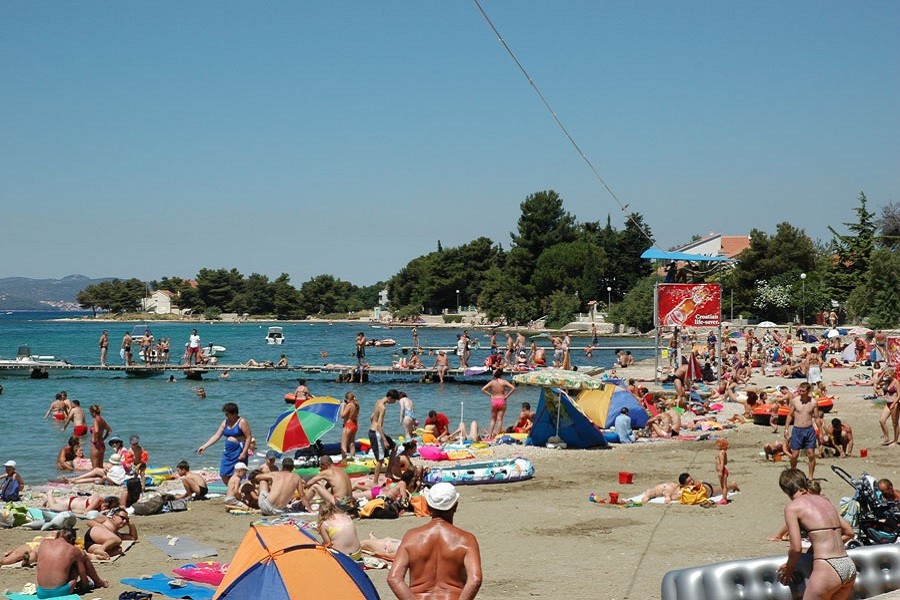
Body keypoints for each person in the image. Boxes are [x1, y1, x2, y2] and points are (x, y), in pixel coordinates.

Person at [387, 482, 482, 599]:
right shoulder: (466, 540)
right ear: (455, 506)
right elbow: (475, 580)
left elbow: (394, 578)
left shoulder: (411, 537)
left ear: (427, 506)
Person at [776, 469, 856, 598]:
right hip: (848, 565)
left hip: (827, 567)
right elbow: (849, 532)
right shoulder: (825, 501)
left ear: (785, 490)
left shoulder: (793, 508)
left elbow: (796, 548)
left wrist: (789, 569)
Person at [35, 528, 108, 598]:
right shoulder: (73, 550)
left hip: (40, 592)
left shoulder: (43, 543)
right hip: (60, 592)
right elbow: (83, 575)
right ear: (72, 539)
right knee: (80, 557)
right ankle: (99, 582)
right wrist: (85, 585)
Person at [197, 402, 252, 485]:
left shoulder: (242, 422)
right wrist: (204, 446)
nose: (226, 416)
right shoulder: (225, 422)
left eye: (227, 414)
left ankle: (236, 490)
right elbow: (216, 435)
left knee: (237, 472)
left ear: (234, 413)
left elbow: (248, 437)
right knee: (223, 473)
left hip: (239, 450)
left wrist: (244, 452)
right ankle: (232, 489)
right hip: (228, 450)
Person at [784, 382, 821, 479]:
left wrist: (820, 431)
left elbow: (817, 417)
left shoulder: (813, 402)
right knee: (795, 454)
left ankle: (810, 477)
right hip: (797, 430)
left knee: (811, 454)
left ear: (808, 391)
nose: (801, 393)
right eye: (800, 391)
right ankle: (793, 473)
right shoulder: (795, 401)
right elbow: (790, 415)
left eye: (803, 391)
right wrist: (786, 429)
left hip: (809, 430)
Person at [369, 389, 399, 485]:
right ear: (390, 398)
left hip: (374, 431)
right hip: (376, 433)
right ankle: (375, 482)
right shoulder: (383, 407)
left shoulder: (378, 401)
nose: (394, 403)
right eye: (394, 401)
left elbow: (371, 417)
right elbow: (378, 425)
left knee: (394, 446)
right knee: (380, 459)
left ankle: (388, 472)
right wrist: (384, 440)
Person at [481, 368, 516, 439]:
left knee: (493, 419)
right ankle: (497, 435)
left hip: (494, 400)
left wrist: (490, 395)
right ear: (501, 374)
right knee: (500, 419)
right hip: (502, 400)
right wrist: (507, 396)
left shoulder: (492, 382)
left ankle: (490, 435)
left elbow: (483, 389)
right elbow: (513, 388)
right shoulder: (504, 382)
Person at [62, 453, 130, 486]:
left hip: (113, 482)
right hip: (114, 481)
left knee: (95, 477)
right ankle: (73, 480)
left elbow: (111, 478)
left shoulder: (115, 468)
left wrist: (105, 477)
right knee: (95, 475)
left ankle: (74, 480)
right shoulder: (119, 467)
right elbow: (113, 475)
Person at [41, 492, 118, 515]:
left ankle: (46, 498)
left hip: (75, 502)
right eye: (105, 506)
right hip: (70, 504)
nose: (104, 508)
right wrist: (101, 512)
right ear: (105, 502)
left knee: (57, 502)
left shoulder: (101, 502)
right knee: (52, 507)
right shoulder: (98, 500)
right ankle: (49, 494)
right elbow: (86, 512)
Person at [88, 404, 111, 469]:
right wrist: (103, 439)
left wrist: (95, 441)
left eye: (90, 413)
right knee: (100, 467)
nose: (90, 414)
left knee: (95, 468)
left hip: (96, 445)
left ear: (93, 412)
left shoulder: (96, 420)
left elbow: (96, 431)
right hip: (101, 444)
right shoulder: (102, 420)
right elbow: (109, 431)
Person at [340, 391, 360, 462]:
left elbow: (342, 415)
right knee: (352, 443)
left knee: (343, 445)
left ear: (348, 399)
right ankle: (352, 459)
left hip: (348, 425)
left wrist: (342, 406)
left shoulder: (350, 405)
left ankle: (344, 460)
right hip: (354, 425)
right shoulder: (356, 405)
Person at [715, 439, 730, 505]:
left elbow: (723, 462)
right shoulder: (723, 452)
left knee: (724, 486)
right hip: (722, 470)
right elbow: (725, 462)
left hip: (723, 471)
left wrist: (720, 471)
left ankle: (724, 499)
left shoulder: (721, 452)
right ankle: (724, 498)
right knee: (722, 486)